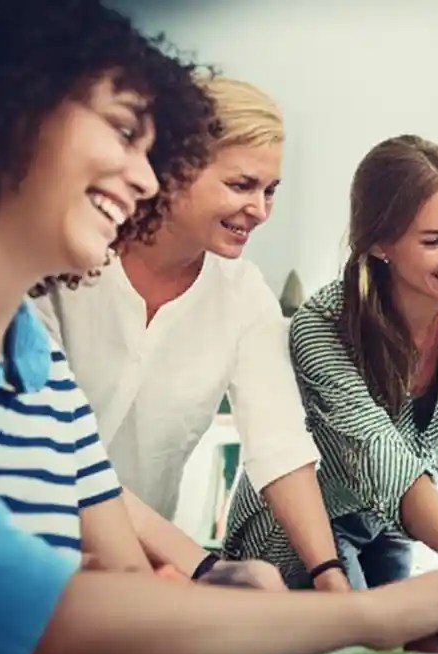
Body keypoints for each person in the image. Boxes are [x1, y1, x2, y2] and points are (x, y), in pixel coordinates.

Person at [0, 0, 438, 654]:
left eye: (271, 190)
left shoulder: (43, 372)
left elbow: (275, 450)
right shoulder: (52, 295)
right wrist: (359, 612)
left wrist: (239, 578)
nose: (144, 178)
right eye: (124, 134)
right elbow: (19, 618)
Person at [223, 135, 438, 627]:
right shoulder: (321, 326)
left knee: (419, 652)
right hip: (299, 536)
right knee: (363, 650)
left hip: (388, 527)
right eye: (434, 240)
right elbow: (380, 455)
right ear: (381, 245)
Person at [33, 76, 343, 591]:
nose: (260, 210)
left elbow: (280, 446)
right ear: (175, 168)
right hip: (25, 547)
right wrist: (203, 567)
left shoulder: (244, 295)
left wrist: (329, 576)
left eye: (270, 191)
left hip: (145, 570)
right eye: (241, 185)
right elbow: (65, 451)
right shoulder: (64, 264)